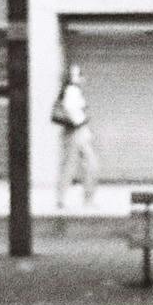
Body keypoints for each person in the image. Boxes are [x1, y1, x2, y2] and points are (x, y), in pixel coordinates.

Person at [53, 61, 99, 207]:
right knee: (89, 165)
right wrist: (80, 120)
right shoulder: (72, 90)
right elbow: (71, 109)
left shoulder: (70, 90)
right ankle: (87, 199)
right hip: (76, 133)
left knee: (71, 166)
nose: (82, 77)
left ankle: (62, 198)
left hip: (75, 133)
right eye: (79, 74)